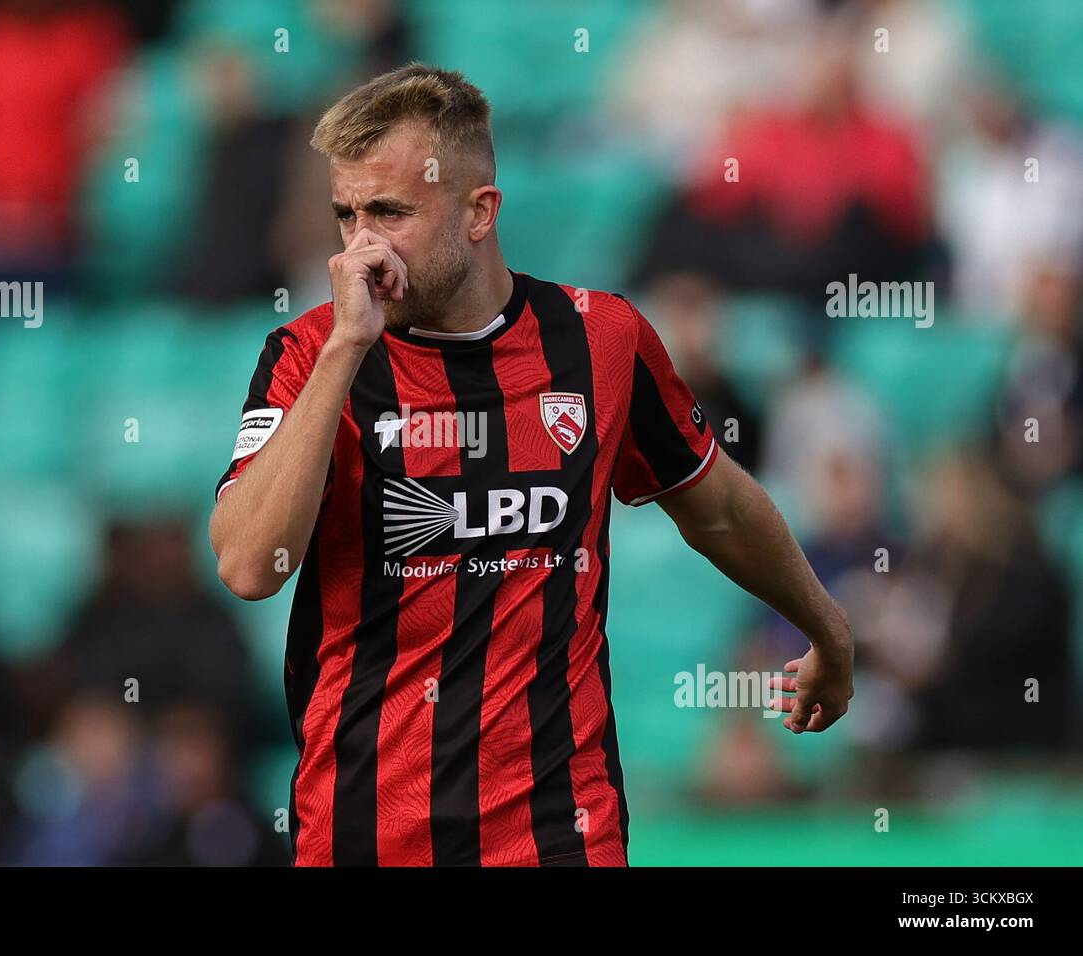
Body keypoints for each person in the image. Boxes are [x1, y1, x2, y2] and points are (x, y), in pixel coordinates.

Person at [208, 64, 854, 867]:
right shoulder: (308, 354)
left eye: (390, 212)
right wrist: (346, 349)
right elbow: (246, 565)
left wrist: (827, 629)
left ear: (480, 211)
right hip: (363, 834)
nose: (362, 246)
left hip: (558, 837)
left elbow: (716, 505)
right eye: (346, 215)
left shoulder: (601, 342)